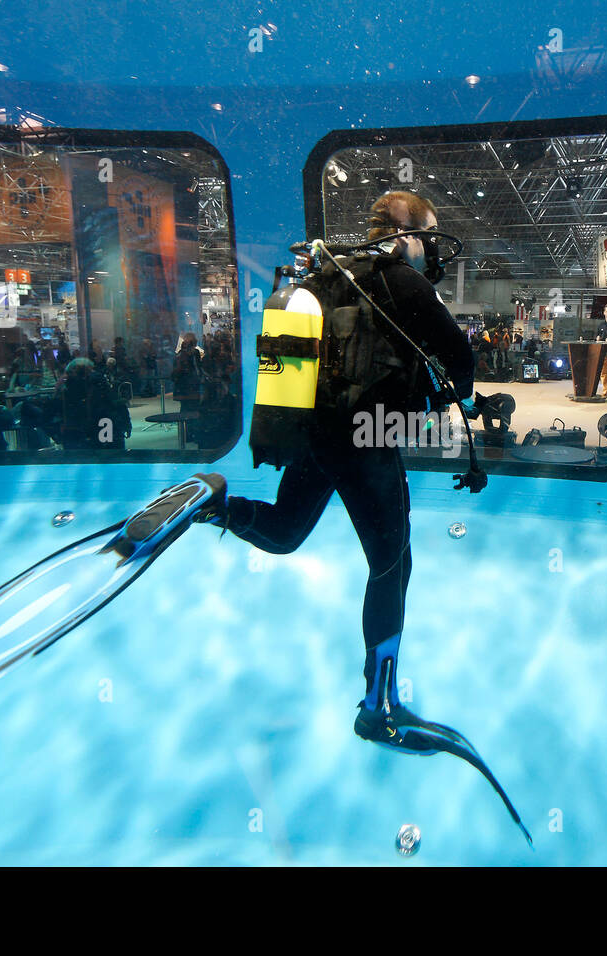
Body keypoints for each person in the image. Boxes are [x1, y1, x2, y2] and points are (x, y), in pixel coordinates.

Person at [193, 190, 480, 752]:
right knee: (391, 565)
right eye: (428, 238)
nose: (432, 254)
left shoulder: (321, 279)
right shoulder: (403, 281)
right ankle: (380, 709)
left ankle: (214, 505)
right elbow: (460, 359)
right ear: (405, 237)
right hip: (366, 445)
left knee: (286, 528)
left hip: (316, 435)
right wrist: (454, 393)